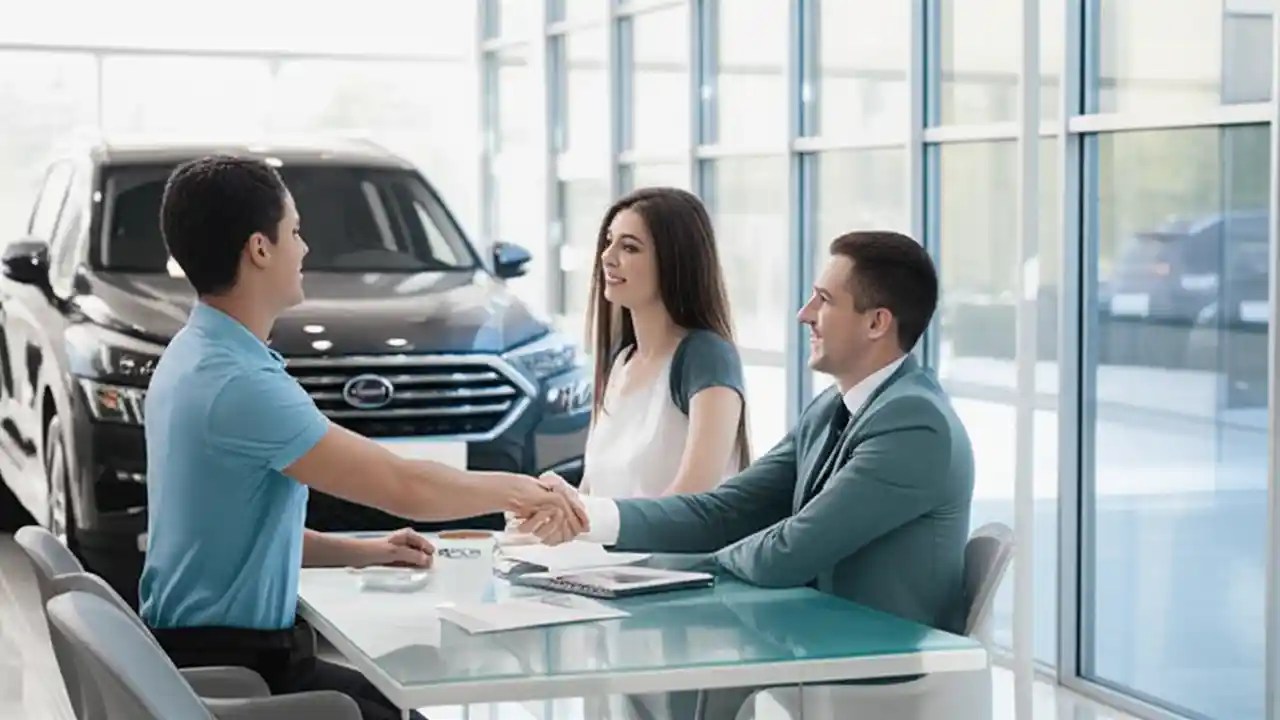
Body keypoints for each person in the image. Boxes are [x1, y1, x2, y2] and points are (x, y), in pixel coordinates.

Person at [139, 155, 585, 720]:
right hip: (236, 667)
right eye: (295, 232)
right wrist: (520, 491)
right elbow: (404, 485)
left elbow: (231, 536)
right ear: (259, 249)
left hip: (202, 650)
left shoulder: (193, 355)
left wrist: (367, 552)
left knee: (397, 703)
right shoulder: (239, 383)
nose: (304, 249)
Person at [520, 230, 974, 719]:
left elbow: (792, 550)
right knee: (648, 667)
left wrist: (684, 570)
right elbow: (727, 510)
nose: (804, 314)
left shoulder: (915, 424)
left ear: (876, 323)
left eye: (823, 300)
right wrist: (587, 515)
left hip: (874, 673)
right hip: (805, 643)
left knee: (668, 663)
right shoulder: (831, 408)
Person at [572, 186, 750, 500]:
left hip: (669, 536)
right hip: (607, 534)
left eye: (629, 247)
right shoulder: (622, 361)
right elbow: (591, 492)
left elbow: (692, 500)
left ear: (675, 261)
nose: (607, 257)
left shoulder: (707, 358)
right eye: (609, 241)